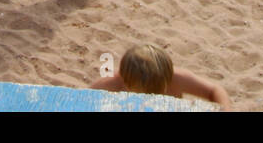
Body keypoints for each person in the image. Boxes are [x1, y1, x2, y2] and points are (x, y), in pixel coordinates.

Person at [90, 44, 232, 108]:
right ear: (126, 82)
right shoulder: (109, 86)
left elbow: (214, 90)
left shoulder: (177, 79)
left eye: (159, 92)